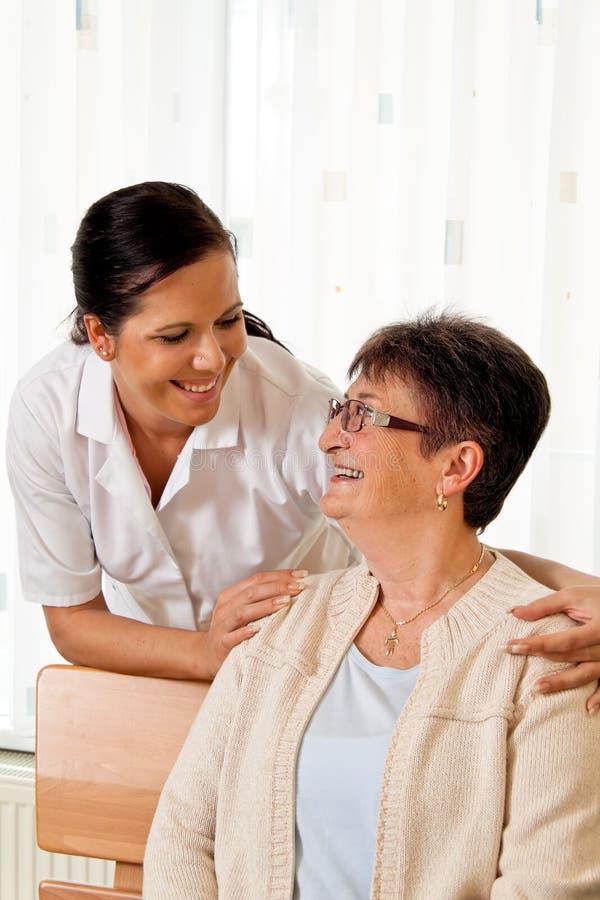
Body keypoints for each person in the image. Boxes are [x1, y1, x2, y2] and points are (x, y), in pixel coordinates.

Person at [6, 181, 600, 688]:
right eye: (175, 335)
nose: (213, 359)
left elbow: (438, 538)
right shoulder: (47, 412)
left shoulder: (299, 413)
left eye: (228, 320)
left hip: (307, 672)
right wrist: (204, 653)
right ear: (100, 335)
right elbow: (74, 621)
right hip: (153, 682)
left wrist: (580, 588)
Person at [144, 314, 599, 899]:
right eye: (340, 410)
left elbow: (547, 889)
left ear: (456, 467)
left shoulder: (551, 654)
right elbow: (184, 830)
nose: (329, 437)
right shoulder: (282, 618)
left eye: (364, 416)